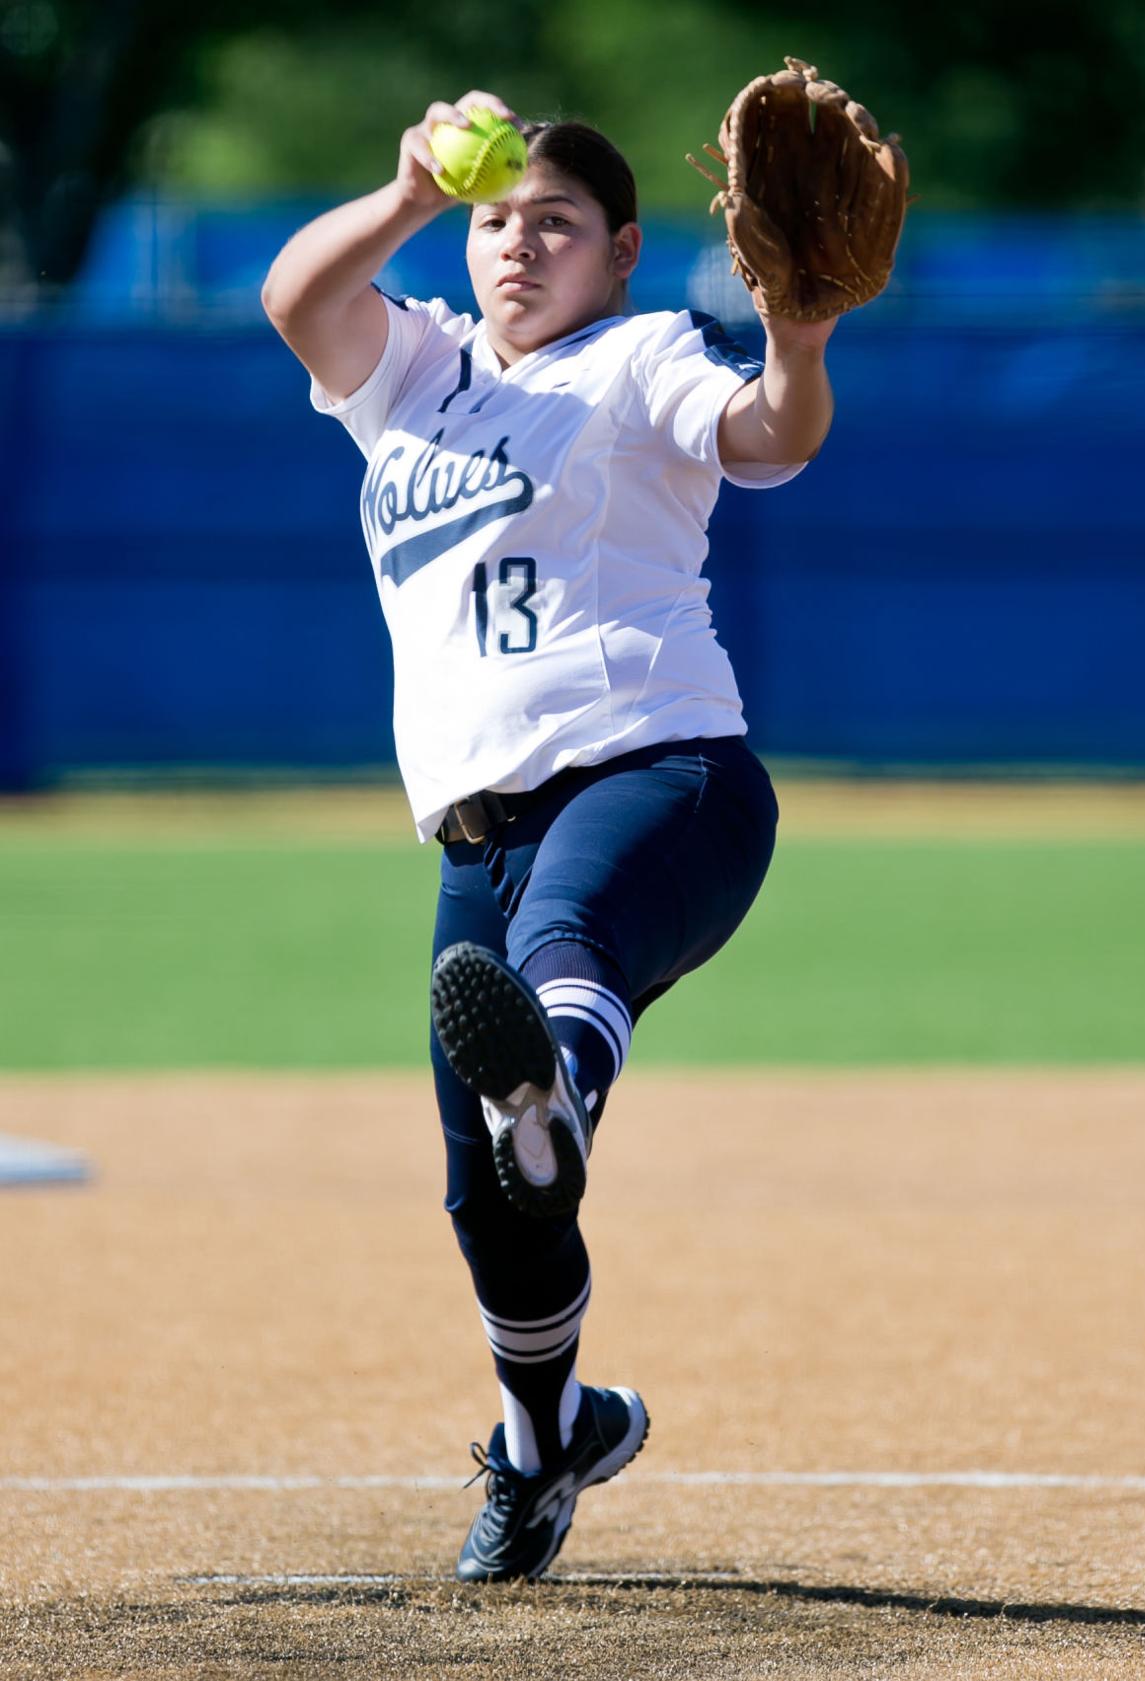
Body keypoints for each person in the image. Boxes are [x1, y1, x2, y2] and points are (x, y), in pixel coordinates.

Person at [261, 89, 836, 1583]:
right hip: (478, 837)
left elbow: (768, 435)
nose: (518, 244)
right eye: (498, 217)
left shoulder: (641, 357)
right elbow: (295, 297)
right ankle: (544, 1439)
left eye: (558, 222)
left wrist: (803, 335)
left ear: (623, 252)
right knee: (489, 1199)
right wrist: (403, 193)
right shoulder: (418, 371)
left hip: (662, 781)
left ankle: (554, 1080)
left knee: (557, 958)